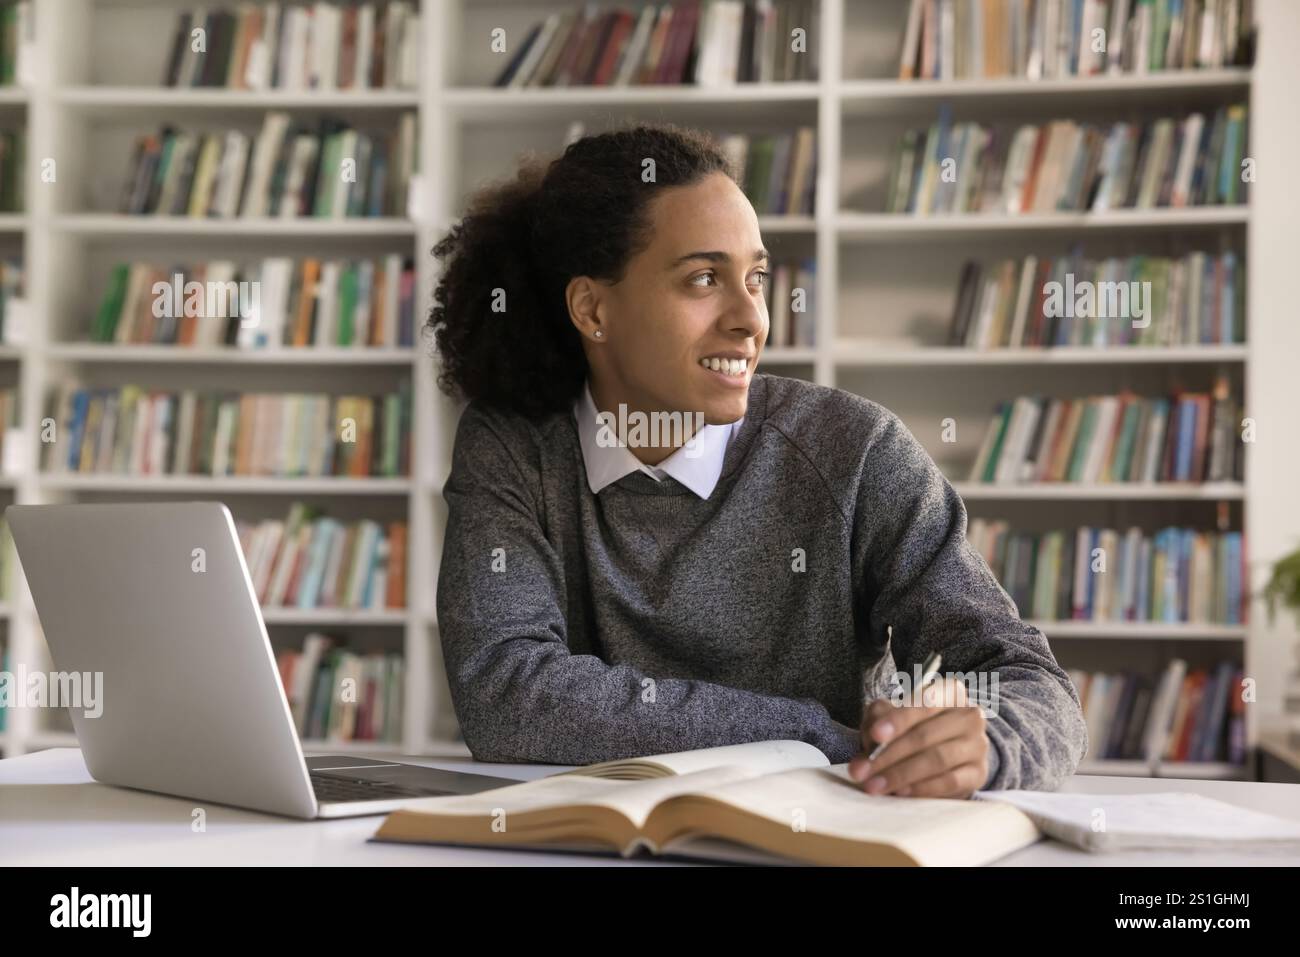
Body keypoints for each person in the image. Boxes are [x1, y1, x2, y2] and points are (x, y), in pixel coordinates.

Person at [426, 122, 1087, 798]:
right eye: (705, 278)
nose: (751, 319)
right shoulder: (513, 447)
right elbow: (506, 691)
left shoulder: (855, 452)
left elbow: (1031, 682)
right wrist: (818, 736)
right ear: (593, 308)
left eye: (757, 278)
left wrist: (988, 744)